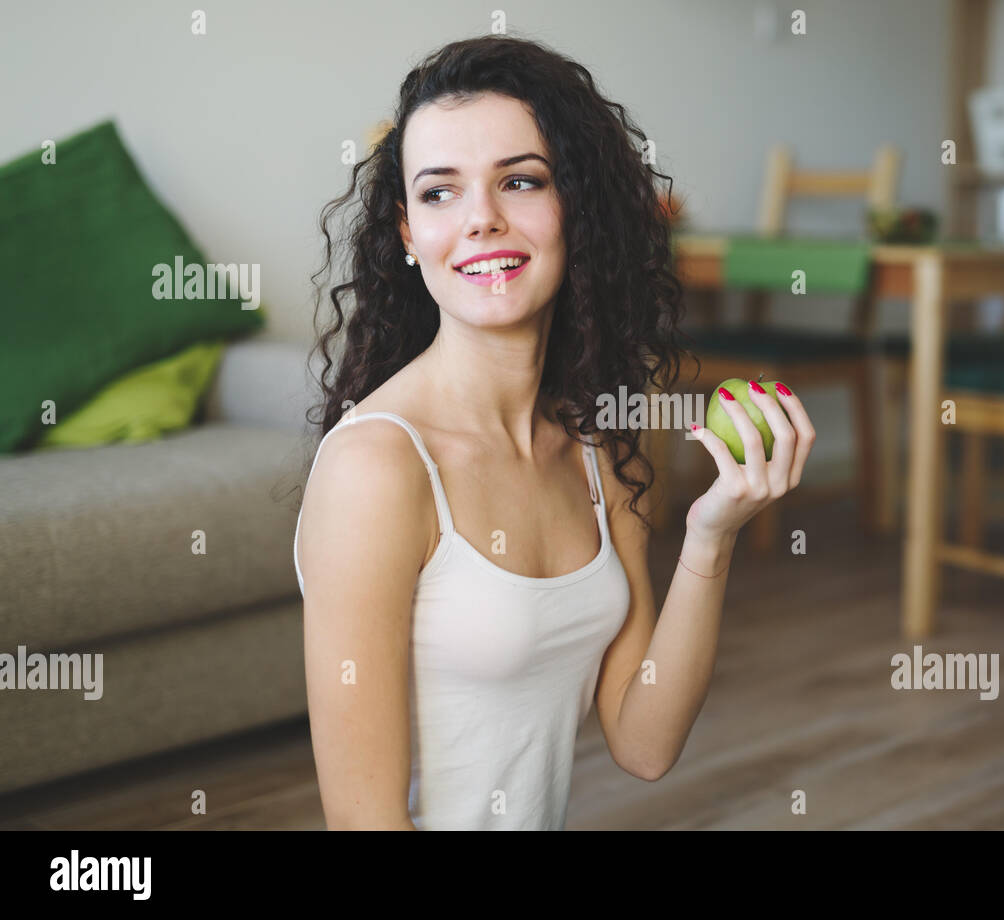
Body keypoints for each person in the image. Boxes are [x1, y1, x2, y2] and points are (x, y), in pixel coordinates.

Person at [293, 35, 815, 830]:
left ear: (576, 205)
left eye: (520, 180)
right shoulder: (378, 466)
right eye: (439, 193)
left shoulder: (596, 453)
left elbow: (644, 744)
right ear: (406, 232)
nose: (481, 220)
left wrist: (712, 537)